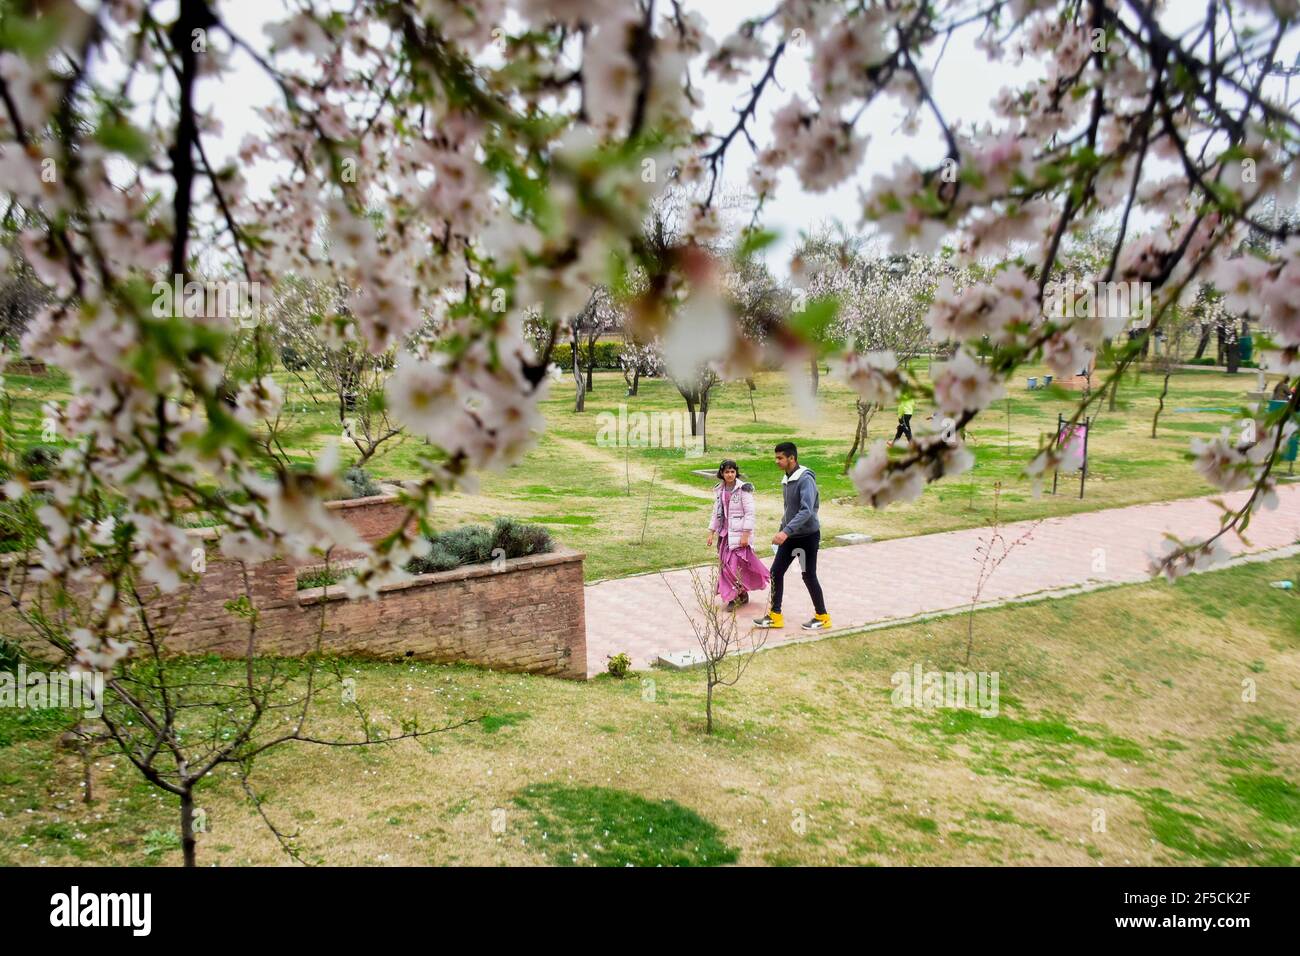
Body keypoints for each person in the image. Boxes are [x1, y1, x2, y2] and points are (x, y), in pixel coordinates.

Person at [753, 442, 831, 631]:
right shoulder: (788, 479)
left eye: (780, 458)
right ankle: (775, 616)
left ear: (792, 458)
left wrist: (785, 531)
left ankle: (822, 616)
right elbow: (789, 510)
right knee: (776, 572)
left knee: (808, 575)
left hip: (807, 537)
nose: (776, 461)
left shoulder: (805, 480)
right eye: (776, 457)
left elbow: (806, 511)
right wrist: (782, 529)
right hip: (790, 537)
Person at [706, 459, 770, 611]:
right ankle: (739, 595)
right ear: (722, 473)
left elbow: (750, 513)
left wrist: (746, 535)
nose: (730, 474)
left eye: (732, 471)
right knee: (726, 566)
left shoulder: (743, 490)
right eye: (727, 472)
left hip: (739, 535)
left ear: (736, 473)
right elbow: (716, 513)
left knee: (734, 566)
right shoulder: (720, 490)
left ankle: (736, 596)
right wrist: (711, 532)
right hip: (725, 535)